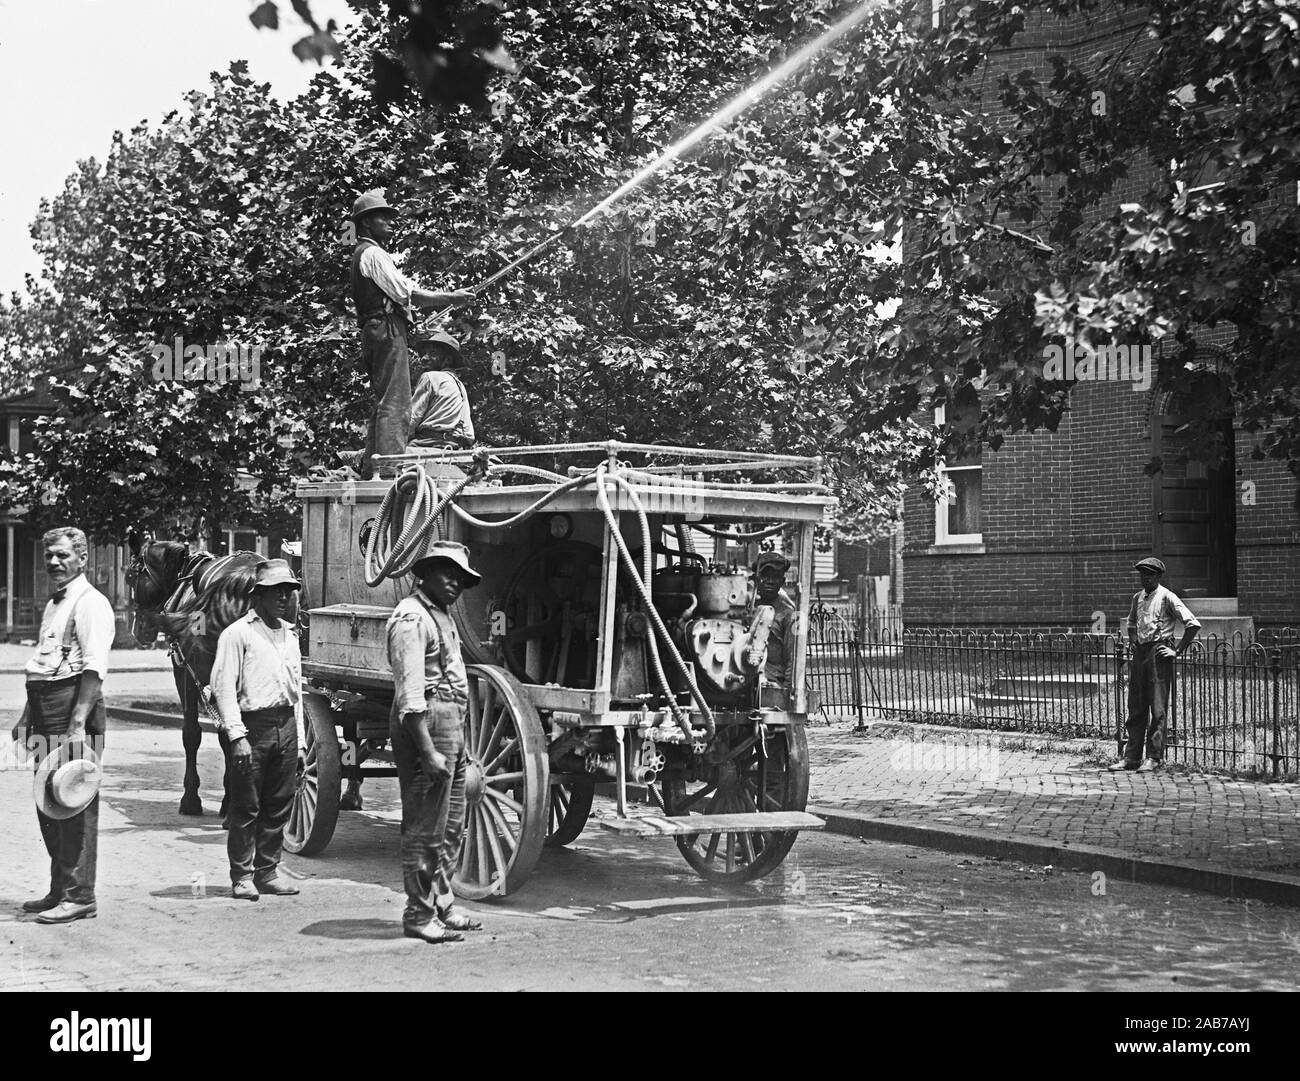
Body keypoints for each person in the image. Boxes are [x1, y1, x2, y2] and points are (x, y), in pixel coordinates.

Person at [386, 540, 485, 944]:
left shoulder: (439, 614)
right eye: (446, 572)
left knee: (451, 826)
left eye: (460, 576)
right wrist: (427, 750)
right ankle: (418, 913)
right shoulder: (411, 619)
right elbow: (410, 697)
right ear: (421, 574)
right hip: (426, 722)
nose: (455, 582)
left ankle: (441, 903)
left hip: (451, 722)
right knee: (426, 826)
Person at [20, 526, 117, 924]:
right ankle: (60, 887)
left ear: (83, 559)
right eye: (50, 556)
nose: (54, 562)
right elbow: (43, 665)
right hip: (46, 708)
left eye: (63, 555)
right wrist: (27, 718)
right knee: (50, 802)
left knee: (74, 800)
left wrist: (77, 723)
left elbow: (94, 669)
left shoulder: (91, 603)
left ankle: (81, 895)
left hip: (72, 710)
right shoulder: (54, 604)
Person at [350, 189, 476, 478]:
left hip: (378, 329)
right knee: (396, 401)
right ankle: (390, 470)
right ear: (367, 223)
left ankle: (373, 467)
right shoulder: (373, 253)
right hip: (385, 328)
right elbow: (407, 292)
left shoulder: (365, 254)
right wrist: (451, 297)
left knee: (386, 400)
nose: (390, 223)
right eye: (384, 218)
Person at [210, 559, 305, 900]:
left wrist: (302, 741)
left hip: (285, 726)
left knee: (279, 804)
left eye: (288, 591)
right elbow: (223, 688)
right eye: (275, 592)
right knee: (246, 806)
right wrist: (237, 737)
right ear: (258, 596)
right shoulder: (238, 634)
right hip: (253, 728)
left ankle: (268, 871)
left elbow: (296, 694)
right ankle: (242, 875)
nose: (283, 598)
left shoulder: (290, 636)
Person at [1108, 556, 1201, 773]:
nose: (1145, 578)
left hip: (1159, 654)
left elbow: (1192, 624)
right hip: (1140, 654)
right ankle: (1131, 757)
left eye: (1149, 575)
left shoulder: (1167, 597)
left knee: (1157, 708)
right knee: (1136, 706)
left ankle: (1154, 757)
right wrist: (1133, 641)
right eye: (1142, 574)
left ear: (1158, 576)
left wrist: (1176, 650)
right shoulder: (1137, 598)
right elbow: (1131, 623)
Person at [408, 330, 475, 450]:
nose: (424, 358)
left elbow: (412, 418)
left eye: (432, 353)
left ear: (447, 360)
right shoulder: (459, 385)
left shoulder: (430, 377)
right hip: (457, 445)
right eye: (424, 353)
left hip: (429, 442)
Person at [752, 551, 798, 709]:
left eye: (776, 576)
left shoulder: (790, 615)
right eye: (765, 575)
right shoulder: (747, 608)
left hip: (771, 685)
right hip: (743, 682)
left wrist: (786, 693)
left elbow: (794, 658)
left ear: (783, 581)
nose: (770, 581)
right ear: (756, 577)